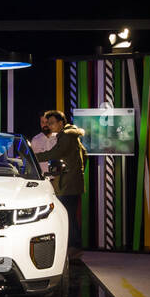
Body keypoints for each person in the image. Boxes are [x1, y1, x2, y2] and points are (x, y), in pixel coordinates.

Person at [33, 109, 86, 254]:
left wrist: (32, 157)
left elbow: (55, 153)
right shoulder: (70, 135)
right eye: (47, 123)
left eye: (52, 123)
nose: (49, 126)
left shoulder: (66, 136)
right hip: (69, 181)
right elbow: (84, 155)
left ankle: (73, 248)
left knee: (67, 216)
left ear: (61, 122)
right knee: (69, 215)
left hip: (67, 183)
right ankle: (73, 247)